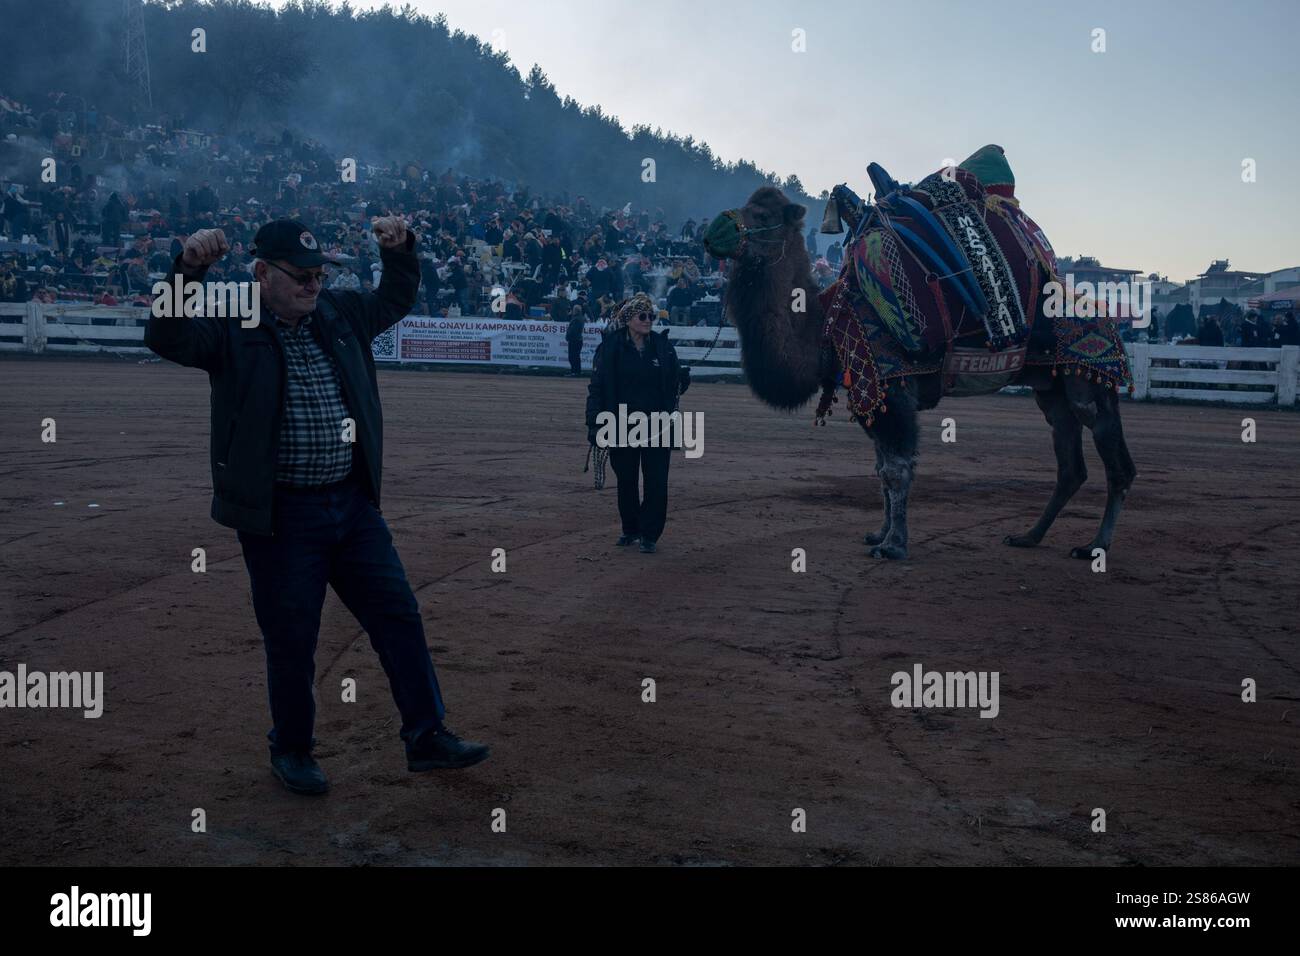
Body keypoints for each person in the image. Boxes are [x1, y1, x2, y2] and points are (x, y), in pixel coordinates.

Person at [144, 216, 488, 796]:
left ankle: (426, 737)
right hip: (281, 517)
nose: (312, 285)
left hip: (351, 505)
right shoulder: (232, 327)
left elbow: (396, 297)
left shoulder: (340, 314)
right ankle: (293, 749)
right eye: (301, 276)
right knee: (292, 637)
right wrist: (187, 270)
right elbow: (166, 336)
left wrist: (401, 251)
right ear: (261, 274)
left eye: (317, 275)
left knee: (398, 615)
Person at [585, 294, 690, 554]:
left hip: (657, 425)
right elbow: (597, 387)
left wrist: (682, 380)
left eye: (650, 317)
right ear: (628, 320)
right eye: (642, 316)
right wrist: (594, 423)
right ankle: (630, 528)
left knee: (656, 481)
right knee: (626, 481)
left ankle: (650, 534)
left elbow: (674, 385)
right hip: (620, 424)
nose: (648, 321)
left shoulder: (663, 347)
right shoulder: (610, 347)